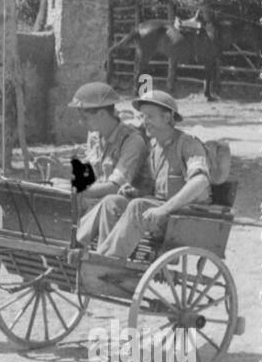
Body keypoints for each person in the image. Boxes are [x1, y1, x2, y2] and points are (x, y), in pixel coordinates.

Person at [88, 90, 211, 260]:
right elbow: (156, 189)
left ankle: (104, 261)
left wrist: (165, 208)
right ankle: (102, 259)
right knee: (112, 202)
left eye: (149, 116)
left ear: (167, 118)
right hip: (160, 213)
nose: (144, 122)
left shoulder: (188, 144)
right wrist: (137, 192)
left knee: (138, 206)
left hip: (185, 215)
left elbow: (200, 181)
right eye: (141, 116)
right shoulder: (153, 147)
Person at [67, 82, 151, 246]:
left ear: (101, 115)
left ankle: (71, 243)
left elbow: (114, 187)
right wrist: (66, 185)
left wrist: (75, 191)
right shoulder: (94, 137)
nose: (80, 122)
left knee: (107, 202)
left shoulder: (132, 141)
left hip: (126, 208)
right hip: (97, 204)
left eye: (84, 117)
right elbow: (86, 178)